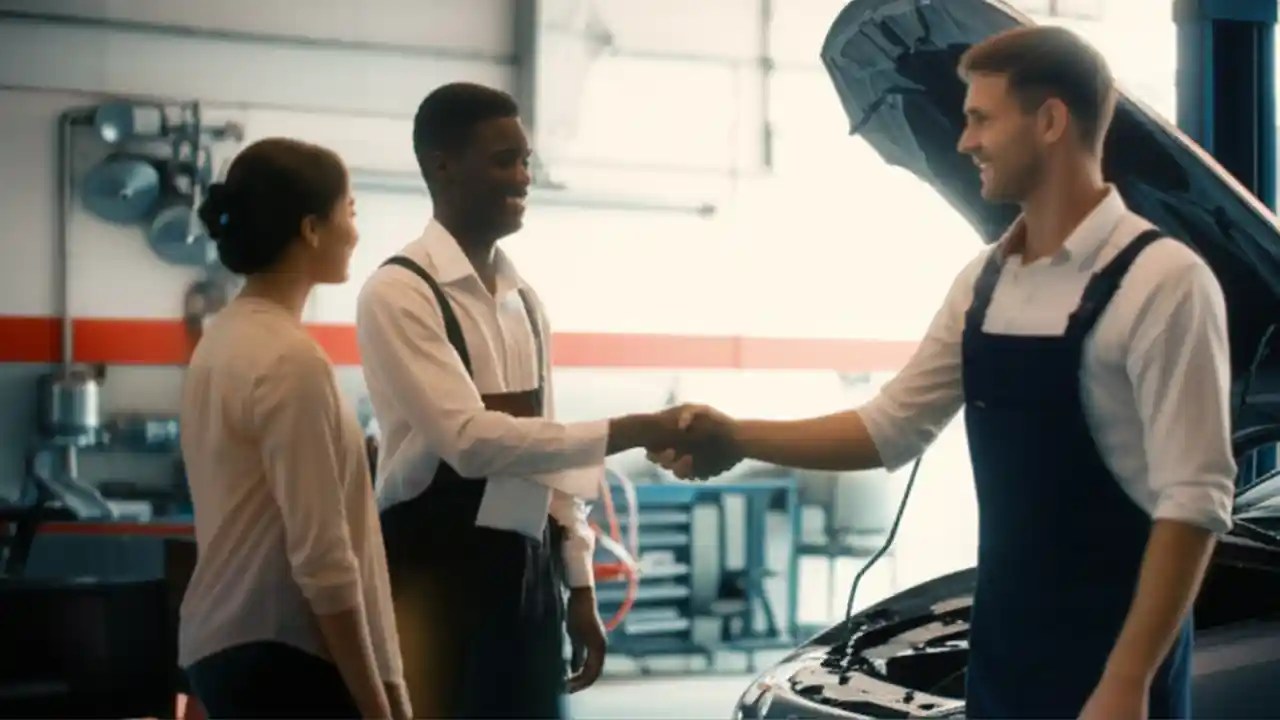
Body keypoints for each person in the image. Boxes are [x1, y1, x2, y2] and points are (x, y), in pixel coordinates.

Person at [655, 26, 1236, 720]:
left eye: (981, 118)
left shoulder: (1164, 281)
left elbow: (1193, 503)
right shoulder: (984, 282)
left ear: (1050, 121)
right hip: (1003, 659)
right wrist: (738, 435)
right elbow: (890, 429)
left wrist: (1127, 680)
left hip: (1111, 673)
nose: (963, 142)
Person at [356, 82, 689, 719]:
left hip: (529, 577)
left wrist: (579, 582)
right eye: (503, 160)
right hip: (431, 581)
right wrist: (636, 427)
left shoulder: (525, 304)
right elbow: (471, 441)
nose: (523, 176)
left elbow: (548, 459)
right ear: (442, 165)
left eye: (525, 160)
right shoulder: (400, 294)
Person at [179, 138, 411, 720]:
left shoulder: (220, 342)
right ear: (312, 229)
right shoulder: (290, 359)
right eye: (350, 211)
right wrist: (378, 705)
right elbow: (325, 561)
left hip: (224, 649)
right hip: (288, 655)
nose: (356, 232)